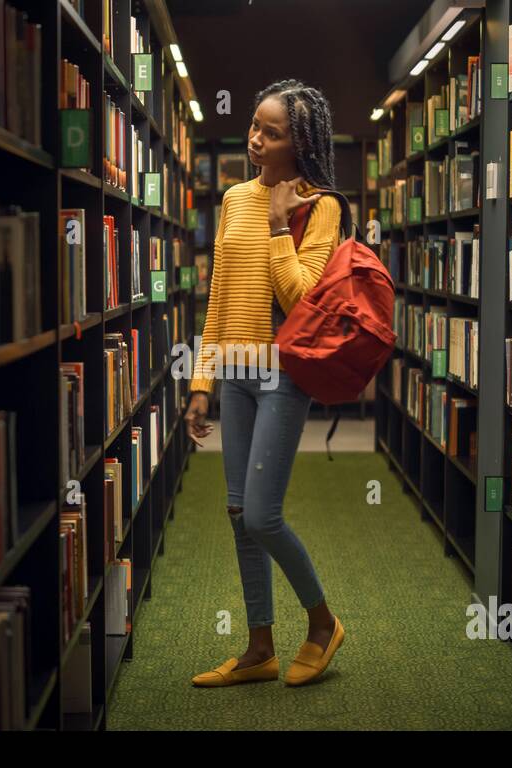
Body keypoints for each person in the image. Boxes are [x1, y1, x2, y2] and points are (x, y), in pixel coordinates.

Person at [183, 80, 346, 688]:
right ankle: (259, 648)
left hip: (282, 374)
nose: (255, 138)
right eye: (254, 125)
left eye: (271, 132)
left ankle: (323, 622)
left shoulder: (321, 206)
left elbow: (303, 298)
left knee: (261, 515)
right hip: (236, 372)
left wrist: (281, 227)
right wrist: (202, 380)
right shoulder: (232, 199)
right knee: (234, 512)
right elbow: (219, 297)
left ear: (299, 143)